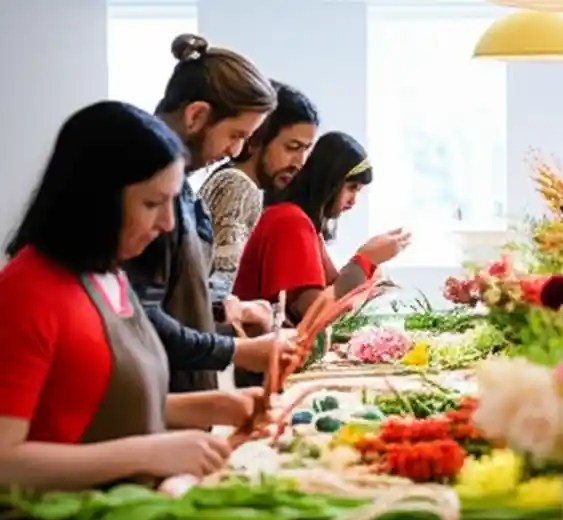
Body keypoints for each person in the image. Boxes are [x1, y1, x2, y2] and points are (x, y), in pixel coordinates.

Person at [0, 101, 258, 489]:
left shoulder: (111, 277)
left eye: (171, 202)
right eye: (152, 203)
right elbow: (5, 460)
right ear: (96, 199)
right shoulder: (27, 292)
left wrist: (212, 406)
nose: (167, 223)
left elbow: (96, 405)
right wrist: (147, 452)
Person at [125, 33, 287, 393]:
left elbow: (172, 298)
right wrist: (236, 349)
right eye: (236, 134)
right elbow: (138, 317)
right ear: (196, 115)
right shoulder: (142, 184)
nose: (236, 151)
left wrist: (224, 308)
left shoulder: (181, 187)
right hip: (156, 404)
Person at [233, 131, 408, 323]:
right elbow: (315, 315)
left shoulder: (305, 225)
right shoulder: (290, 221)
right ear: (329, 181)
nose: (354, 201)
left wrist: (370, 273)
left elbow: (334, 293)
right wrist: (364, 261)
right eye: (352, 188)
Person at [201, 81, 320, 301]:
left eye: (306, 150)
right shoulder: (237, 185)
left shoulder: (241, 184)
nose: (299, 162)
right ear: (257, 139)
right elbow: (225, 281)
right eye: (292, 148)